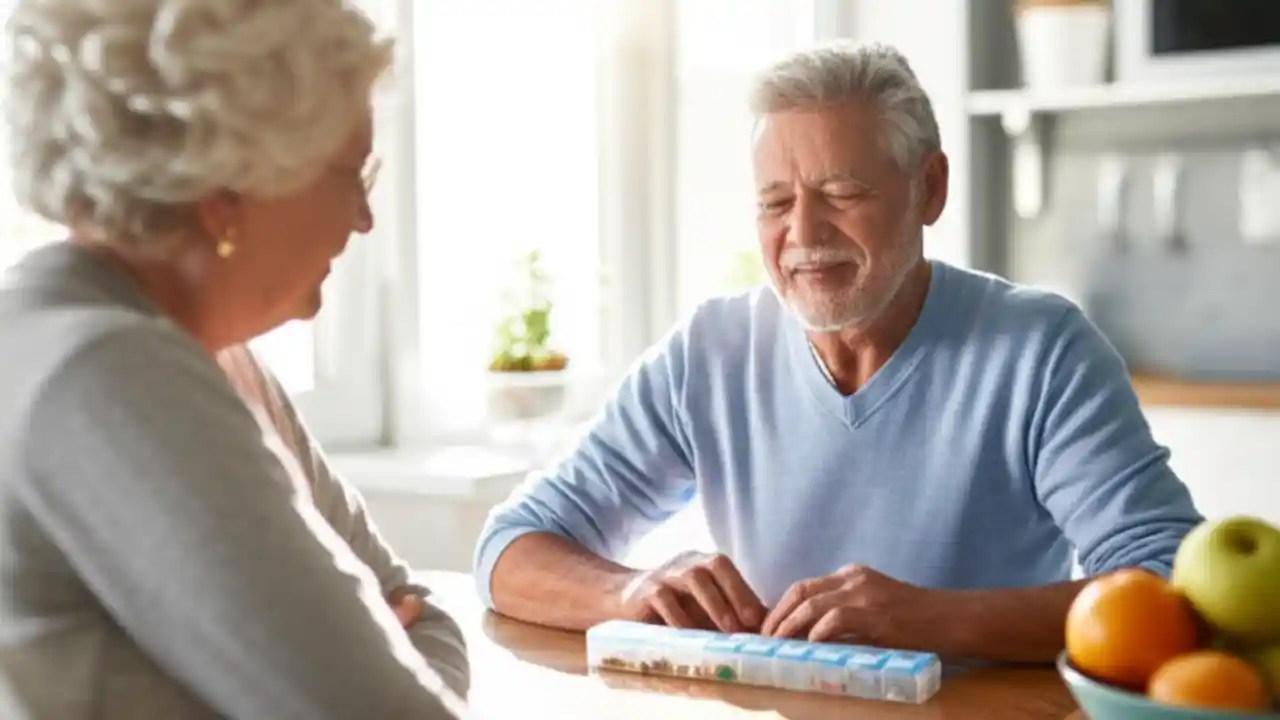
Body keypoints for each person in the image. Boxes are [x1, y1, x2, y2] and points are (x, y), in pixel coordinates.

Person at [474, 43, 1203, 664]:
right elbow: (509, 550)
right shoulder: (710, 352)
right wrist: (627, 592)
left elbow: (1173, 585)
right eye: (775, 201)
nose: (803, 232)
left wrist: (932, 622)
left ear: (930, 188)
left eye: (841, 191)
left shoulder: (1041, 351)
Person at [0, 1, 465, 717]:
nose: (363, 218)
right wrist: (379, 656)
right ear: (230, 189)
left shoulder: (212, 358)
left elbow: (419, 617)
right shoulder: (113, 372)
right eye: (350, 174)